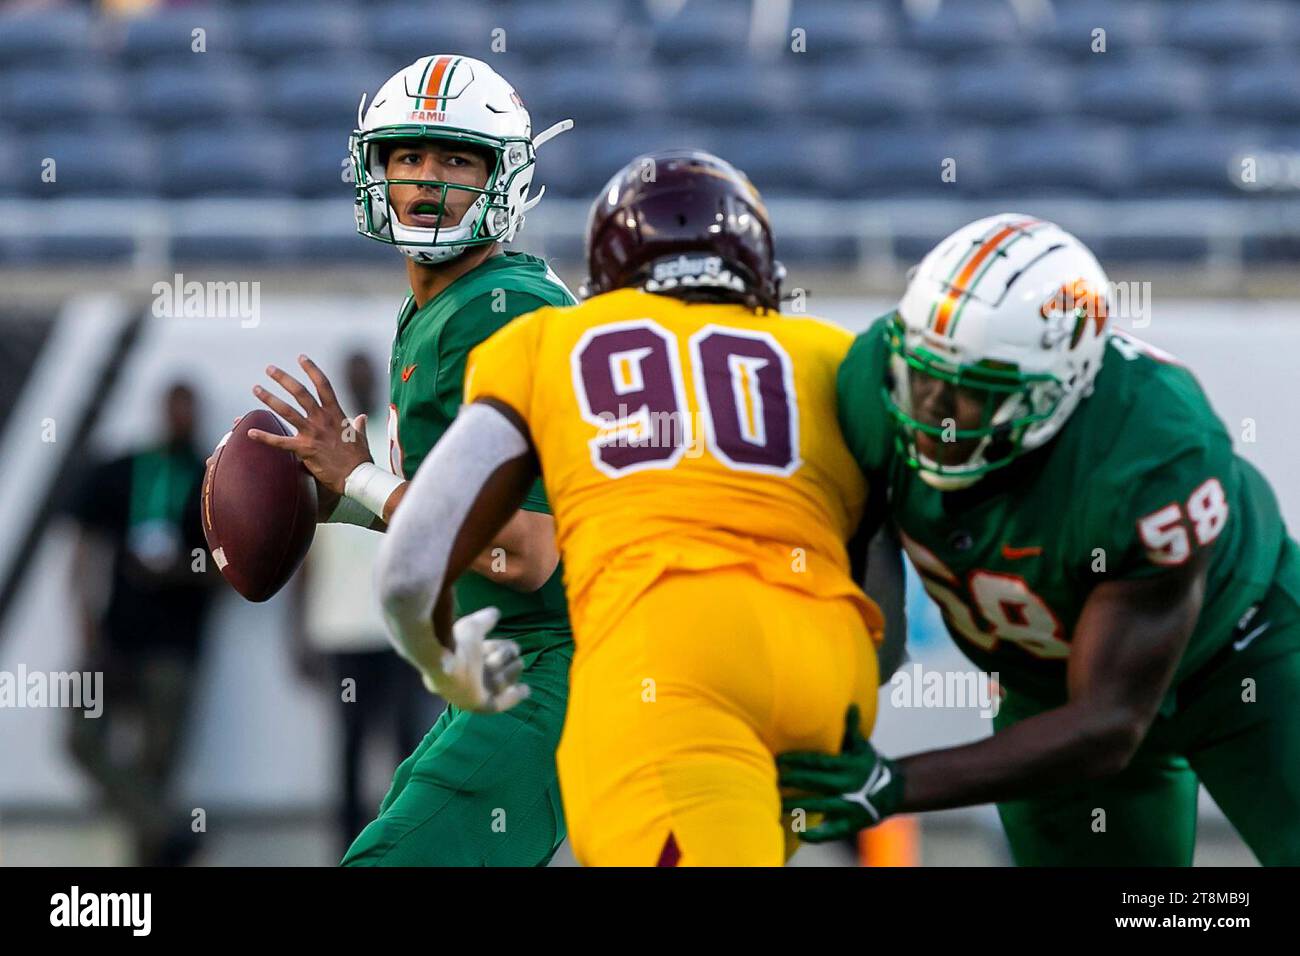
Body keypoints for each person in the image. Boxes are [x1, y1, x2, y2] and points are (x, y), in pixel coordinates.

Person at [371, 150, 888, 866]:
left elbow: (409, 570)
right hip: (823, 670)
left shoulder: (548, 340)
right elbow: (886, 561)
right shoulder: (833, 355)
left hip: (664, 661)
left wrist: (438, 663)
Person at [781, 213, 1300, 865]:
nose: (931, 408)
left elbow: (1109, 725)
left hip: (1242, 651)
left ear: (1053, 394)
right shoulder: (872, 383)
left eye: (971, 391)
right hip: (1045, 691)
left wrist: (896, 785)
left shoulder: (1151, 454)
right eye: (923, 374)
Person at [240, 55, 576, 866]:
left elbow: (523, 553)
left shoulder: (499, 311)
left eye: (456, 159)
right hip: (499, 663)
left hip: (558, 661)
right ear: (373, 170)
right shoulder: (439, 304)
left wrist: (361, 479)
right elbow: (453, 513)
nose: (426, 179)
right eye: (407, 157)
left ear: (504, 178)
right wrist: (345, 495)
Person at [288, 350, 437, 856]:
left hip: (398, 629)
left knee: (408, 749)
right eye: (354, 372)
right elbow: (308, 551)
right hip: (342, 630)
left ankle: (407, 849)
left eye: (366, 371)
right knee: (350, 753)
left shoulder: (399, 444)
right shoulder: (331, 455)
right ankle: (348, 853)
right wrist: (299, 630)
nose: (362, 378)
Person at [66, 381, 215, 866]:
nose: (181, 419)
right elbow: (84, 549)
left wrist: (179, 570)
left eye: (189, 410)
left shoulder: (209, 481)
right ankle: (166, 828)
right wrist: (87, 629)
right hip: (116, 638)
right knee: (80, 738)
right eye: (174, 408)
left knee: (157, 766)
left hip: (174, 646)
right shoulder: (127, 469)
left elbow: (231, 570)